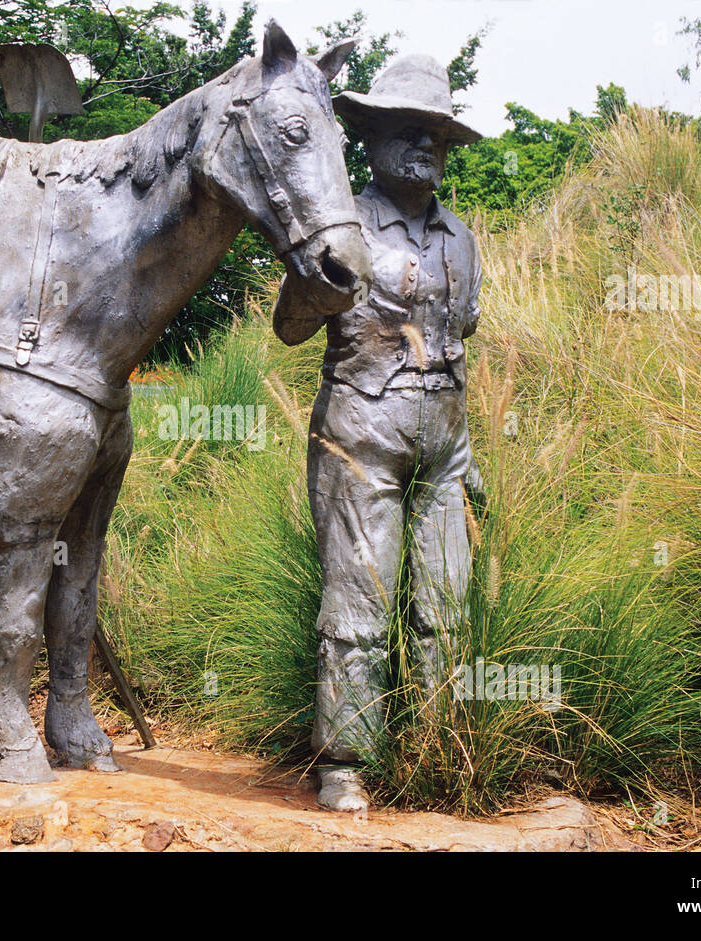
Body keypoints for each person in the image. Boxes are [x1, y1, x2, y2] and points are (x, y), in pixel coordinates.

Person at [273, 55, 485, 814]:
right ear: (369, 139)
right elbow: (290, 327)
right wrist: (316, 284)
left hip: (445, 448)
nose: (426, 145)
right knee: (358, 605)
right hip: (360, 439)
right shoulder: (344, 227)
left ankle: (436, 750)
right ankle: (344, 761)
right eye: (407, 130)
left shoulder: (463, 239)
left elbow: (458, 344)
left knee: (446, 606)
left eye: (437, 135)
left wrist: (469, 453)